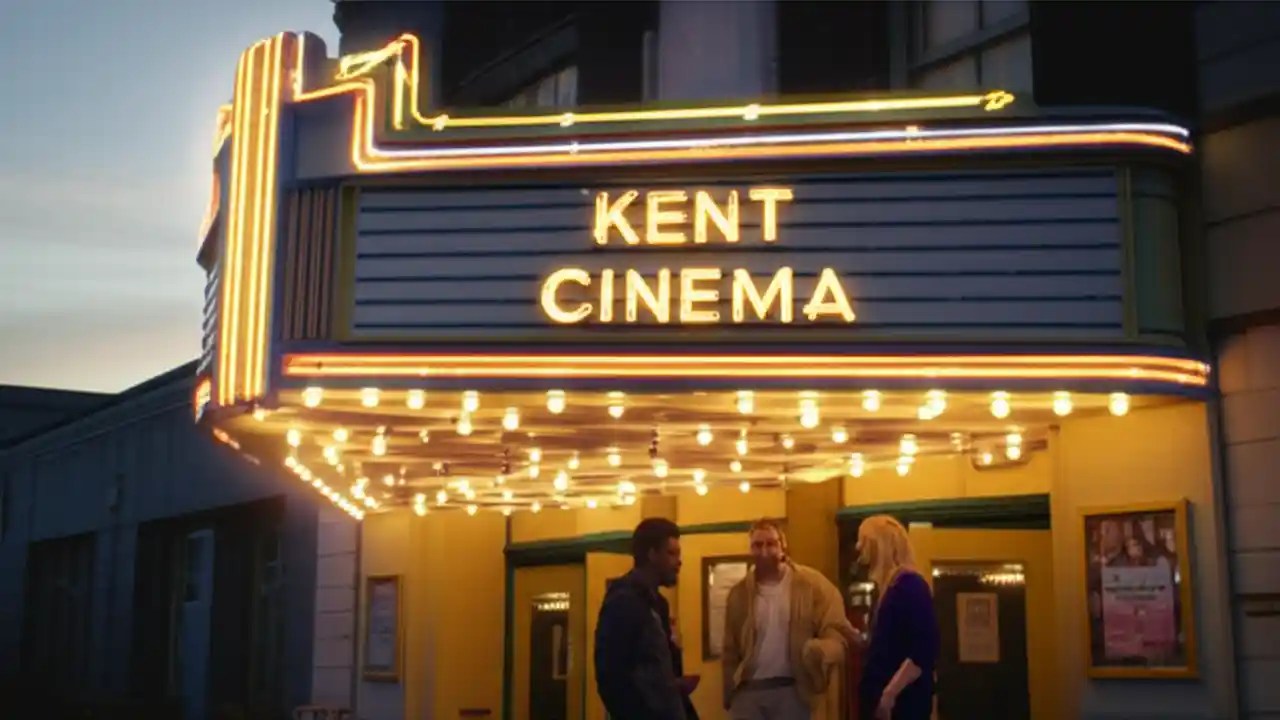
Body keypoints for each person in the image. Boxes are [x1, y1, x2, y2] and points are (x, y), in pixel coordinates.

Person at [722, 519, 854, 720]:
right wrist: (729, 693)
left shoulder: (811, 585)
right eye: (757, 545)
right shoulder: (738, 593)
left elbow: (834, 628)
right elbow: (729, 648)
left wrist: (820, 651)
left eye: (771, 544)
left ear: (783, 547)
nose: (764, 551)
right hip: (748, 690)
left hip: (792, 689)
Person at [594, 517, 694, 720]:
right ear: (652, 554)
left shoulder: (659, 603)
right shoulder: (623, 601)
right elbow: (611, 674)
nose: (679, 562)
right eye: (671, 553)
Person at [855, 515, 939, 720]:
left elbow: (922, 651)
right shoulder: (889, 589)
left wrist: (889, 695)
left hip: (903, 706)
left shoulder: (910, 586)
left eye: (864, 542)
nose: (859, 549)